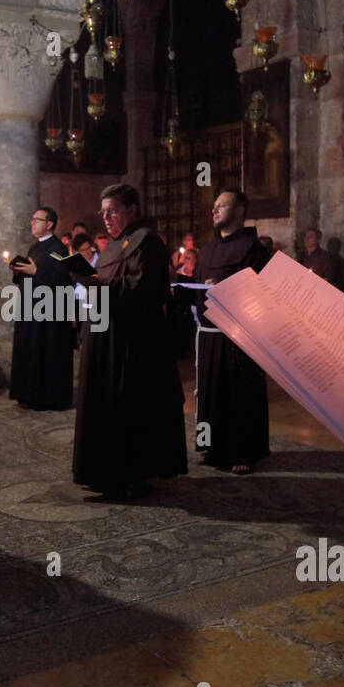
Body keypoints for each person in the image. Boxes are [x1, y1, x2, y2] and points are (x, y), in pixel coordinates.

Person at [73, 183, 186, 500]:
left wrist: (101, 284)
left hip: (130, 341)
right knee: (103, 403)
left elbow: (144, 288)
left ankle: (129, 476)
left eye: (113, 211)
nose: (106, 217)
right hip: (104, 336)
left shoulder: (146, 242)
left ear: (132, 209)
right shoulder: (112, 246)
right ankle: (104, 472)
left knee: (126, 405)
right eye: (103, 212)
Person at [194, 188, 272, 474]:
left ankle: (244, 451)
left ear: (239, 211)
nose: (214, 210)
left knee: (239, 393)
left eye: (222, 206)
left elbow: (261, 293)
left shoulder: (254, 250)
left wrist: (225, 288)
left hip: (239, 335)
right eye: (214, 206)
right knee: (211, 390)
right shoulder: (207, 249)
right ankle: (212, 447)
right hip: (209, 333)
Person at [9, 206, 73, 410]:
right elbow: (31, 273)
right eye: (32, 219)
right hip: (31, 309)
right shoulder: (35, 247)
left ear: (49, 224)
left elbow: (62, 279)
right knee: (30, 350)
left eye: (37, 219)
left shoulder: (58, 248)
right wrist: (19, 271)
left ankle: (46, 397)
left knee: (46, 352)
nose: (32, 223)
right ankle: (28, 394)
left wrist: (36, 271)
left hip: (48, 314)